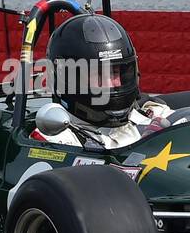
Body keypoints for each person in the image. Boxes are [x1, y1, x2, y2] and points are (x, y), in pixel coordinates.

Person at [35, 12, 172, 149]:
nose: (111, 84)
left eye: (115, 72)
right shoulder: (57, 139)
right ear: (68, 80)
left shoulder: (150, 113)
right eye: (98, 74)